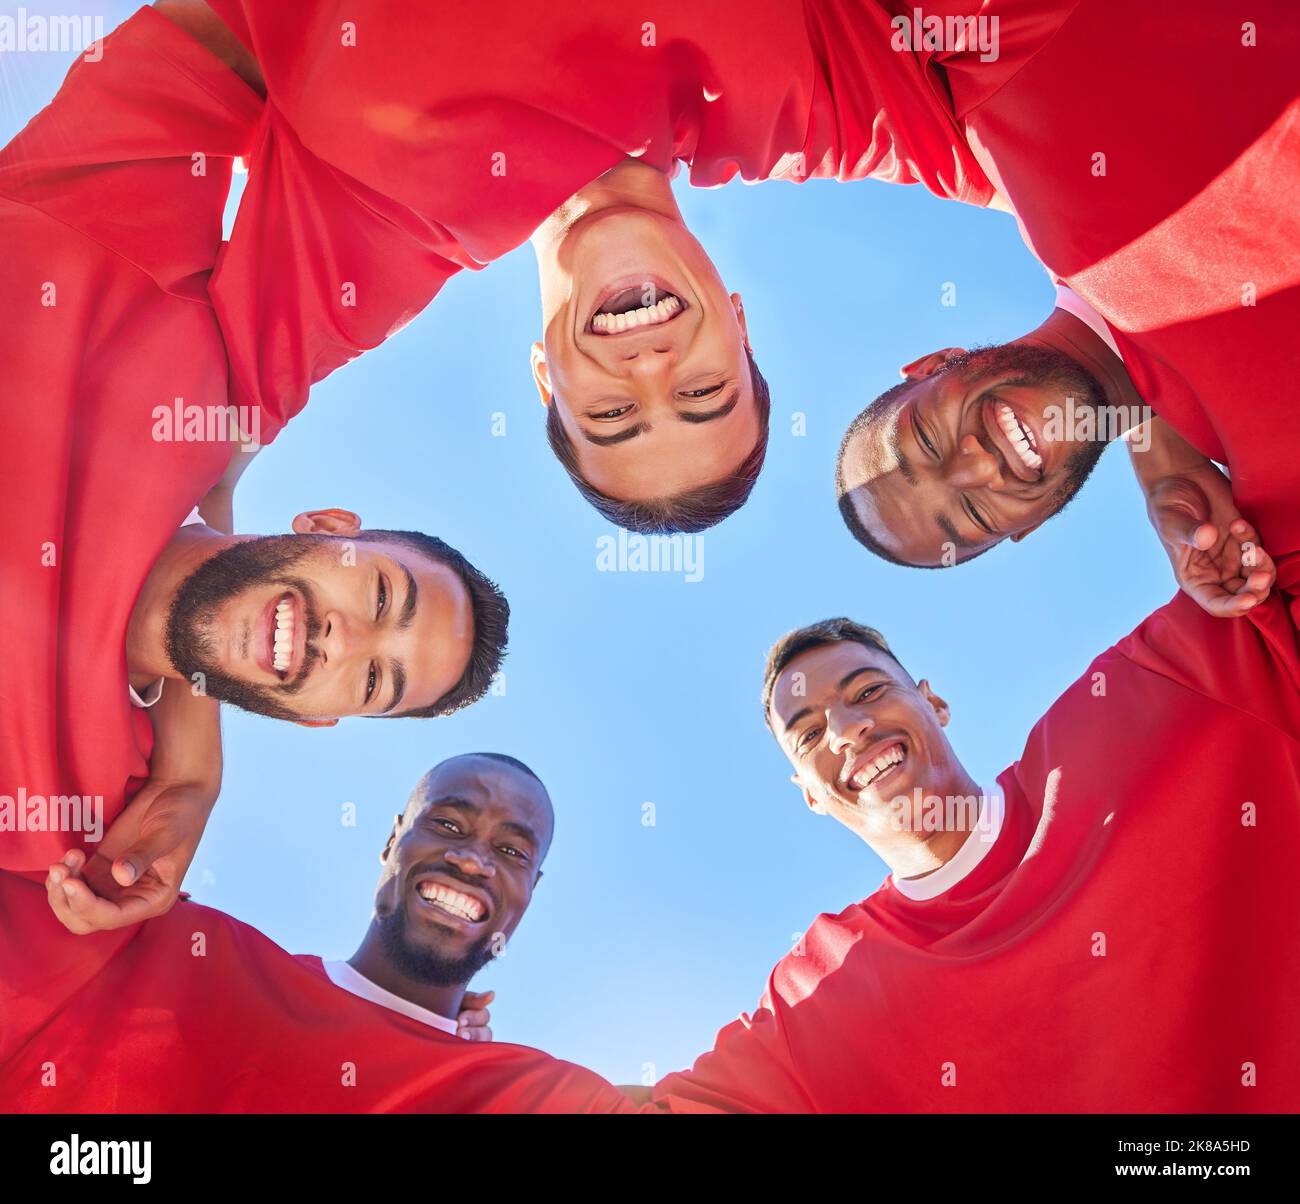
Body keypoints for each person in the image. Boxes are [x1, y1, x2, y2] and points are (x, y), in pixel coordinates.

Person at [651, 598, 1300, 1111]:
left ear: (933, 701)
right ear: (810, 795)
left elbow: (1261, 569)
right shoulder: (813, 996)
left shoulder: (1121, 721)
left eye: (869, 691)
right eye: (811, 734)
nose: (849, 731)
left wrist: (1161, 458)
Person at [3, 754, 637, 1112]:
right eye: (447, 825)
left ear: (530, 896)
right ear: (393, 842)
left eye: (513, 852)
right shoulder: (174, 944)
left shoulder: (532, 1097)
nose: (474, 860)